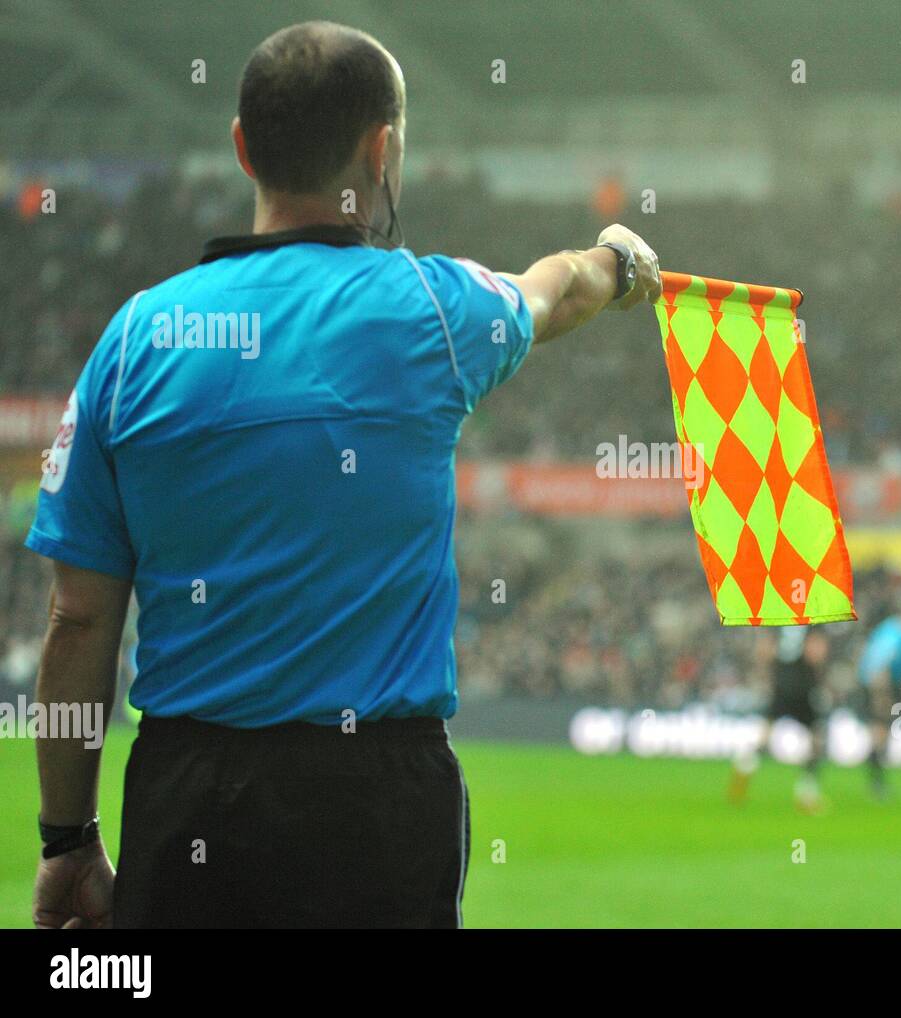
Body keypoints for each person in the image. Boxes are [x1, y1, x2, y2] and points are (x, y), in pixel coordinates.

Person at [26, 20, 660, 929]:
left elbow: (78, 616)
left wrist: (67, 841)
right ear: (383, 150)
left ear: (243, 149)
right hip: (381, 804)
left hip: (190, 793)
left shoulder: (136, 339)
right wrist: (619, 262)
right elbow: (555, 287)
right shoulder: (436, 311)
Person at [728, 629, 831, 814]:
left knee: (764, 738)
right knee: (815, 743)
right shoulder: (812, 621)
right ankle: (806, 795)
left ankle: (742, 775)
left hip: (781, 687)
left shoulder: (780, 620)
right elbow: (816, 654)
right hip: (803, 689)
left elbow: (764, 650)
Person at [857, 608, 901, 798]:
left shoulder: (896, 633)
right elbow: (880, 665)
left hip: (884, 686)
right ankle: (876, 781)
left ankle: (876, 779)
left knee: (882, 733)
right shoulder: (895, 635)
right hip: (879, 688)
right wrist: (881, 696)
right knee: (880, 732)